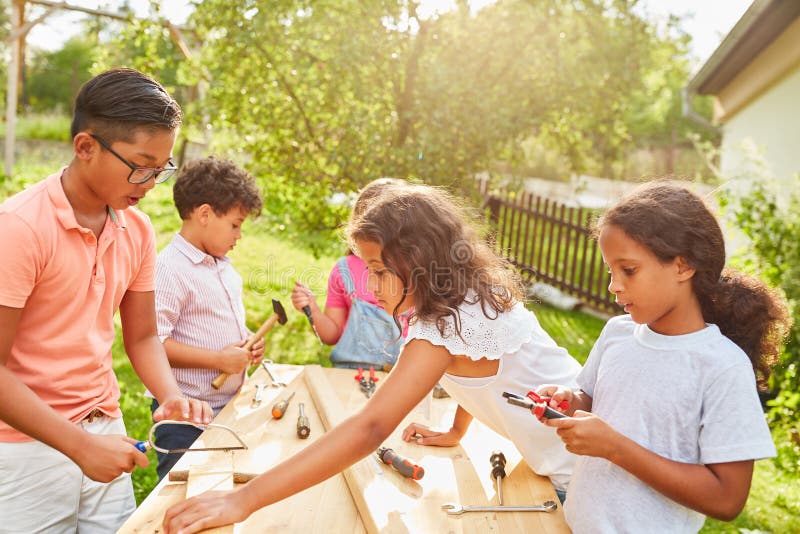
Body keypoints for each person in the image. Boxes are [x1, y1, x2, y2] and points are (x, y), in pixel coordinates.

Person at [162, 184, 582, 533]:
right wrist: (457, 428)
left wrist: (244, 499)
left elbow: (370, 428)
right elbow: (491, 372)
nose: (371, 285)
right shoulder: (466, 296)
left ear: (418, 261)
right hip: (566, 458)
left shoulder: (445, 328)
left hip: (579, 476)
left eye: (379, 271)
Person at [0, 67, 213, 532]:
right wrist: (76, 445)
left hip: (106, 429)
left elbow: (141, 336)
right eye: (140, 165)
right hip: (25, 445)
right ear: (85, 147)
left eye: (162, 168)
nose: (151, 182)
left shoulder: (135, 228)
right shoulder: (18, 229)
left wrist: (170, 394)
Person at [535, 181, 790, 533]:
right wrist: (569, 402)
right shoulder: (617, 334)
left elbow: (727, 499)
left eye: (629, 270)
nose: (613, 285)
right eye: (611, 271)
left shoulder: (722, 366)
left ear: (683, 267)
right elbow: (595, 401)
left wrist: (615, 449)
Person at [148, 157, 265, 480]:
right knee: (182, 494)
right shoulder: (170, 269)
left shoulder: (223, 265)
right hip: (185, 418)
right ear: (204, 214)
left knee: (220, 488)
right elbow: (153, 343)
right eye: (235, 224)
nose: (239, 235)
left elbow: (216, 323)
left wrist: (247, 344)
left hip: (227, 407)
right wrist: (218, 360)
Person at [291, 178, 407, 369]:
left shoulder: (413, 269)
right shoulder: (344, 270)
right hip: (353, 377)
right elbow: (331, 336)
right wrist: (312, 309)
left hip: (404, 376)